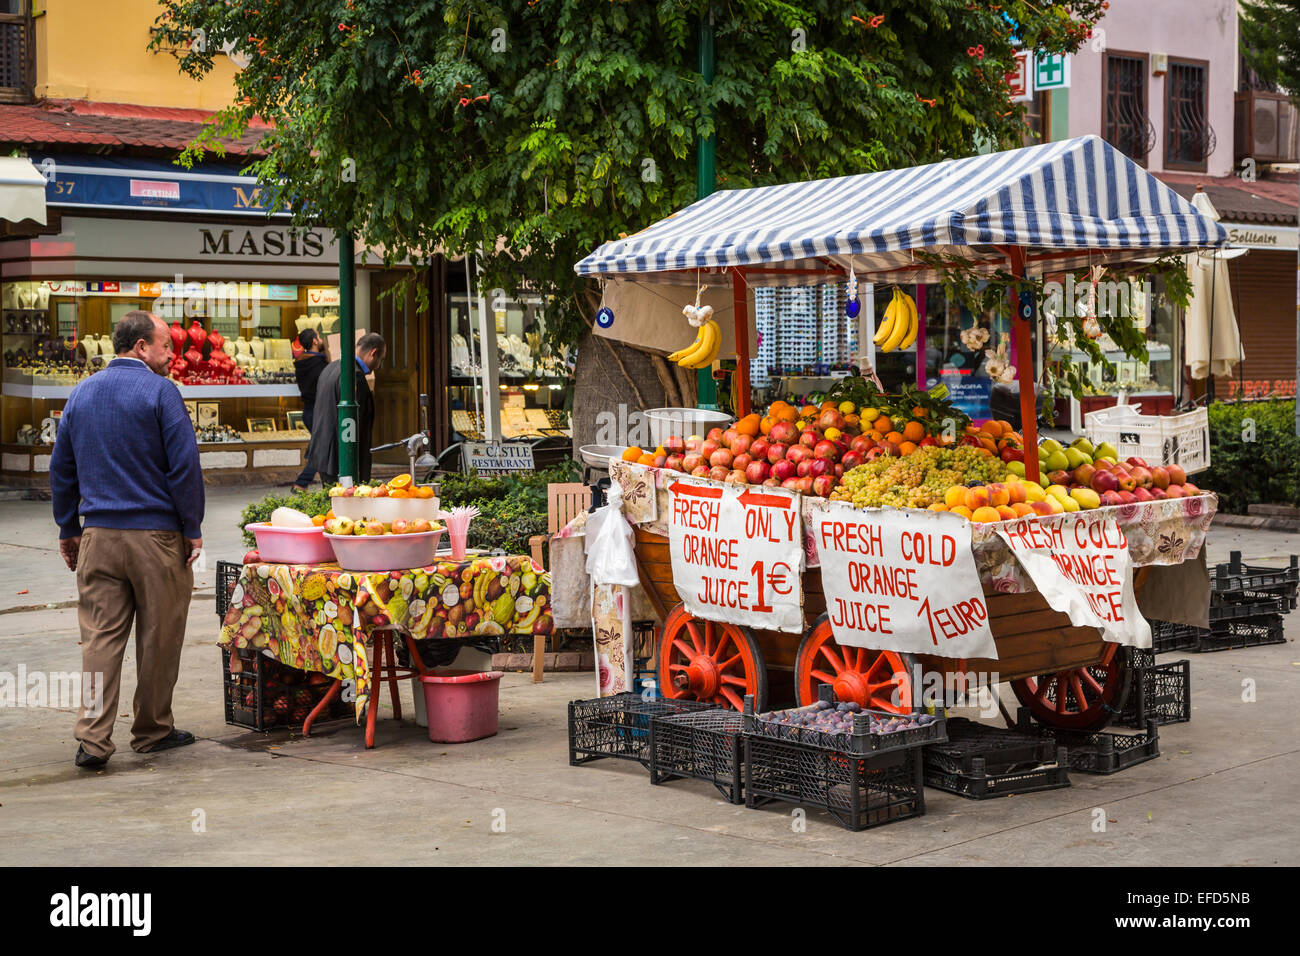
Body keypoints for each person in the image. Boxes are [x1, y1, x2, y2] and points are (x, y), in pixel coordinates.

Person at [50, 310, 204, 770]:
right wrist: (191, 525)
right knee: (159, 637)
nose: (170, 357)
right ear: (141, 347)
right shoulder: (161, 393)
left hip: (97, 535)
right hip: (155, 539)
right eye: (164, 348)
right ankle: (152, 731)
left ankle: (93, 740)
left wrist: (68, 527)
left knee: (99, 639)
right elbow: (184, 467)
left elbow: (62, 469)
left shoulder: (81, 393)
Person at [306, 332, 386, 485]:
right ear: (373, 353)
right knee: (347, 504)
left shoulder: (330, 368)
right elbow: (358, 424)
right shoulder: (354, 376)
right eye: (380, 360)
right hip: (341, 457)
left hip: (323, 453)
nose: (378, 365)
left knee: (332, 501)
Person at [290, 329, 329, 491]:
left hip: (308, 412)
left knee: (318, 446)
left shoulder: (301, 363)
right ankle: (301, 483)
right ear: (314, 341)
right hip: (319, 412)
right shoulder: (320, 364)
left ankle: (307, 483)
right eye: (319, 337)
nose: (320, 339)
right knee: (320, 449)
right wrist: (327, 348)